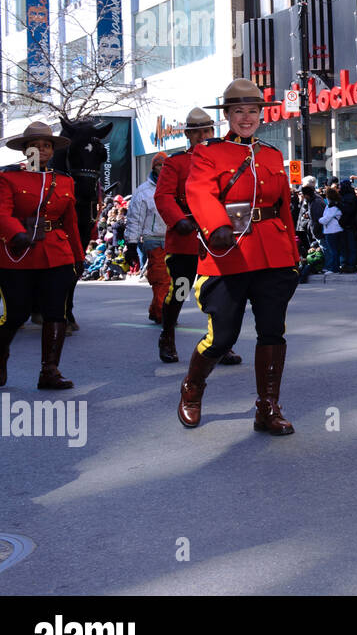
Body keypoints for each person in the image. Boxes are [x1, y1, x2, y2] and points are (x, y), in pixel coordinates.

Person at [177, 79, 300, 434]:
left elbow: (283, 209)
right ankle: (193, 386)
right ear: (227, 115)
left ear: (261, 114)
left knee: (273, 331)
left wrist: (292, 255)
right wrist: (216, 226)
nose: (246, 118)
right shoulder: (208, 153)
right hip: (228, 250)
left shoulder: (273, 155)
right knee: (222, 337)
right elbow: (199, 191)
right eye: (238, 111)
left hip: (273, 253)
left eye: (253, 111)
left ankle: (268, 407)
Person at [0, 123, 83, 390]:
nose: (41, 150)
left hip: (56, 253)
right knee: (16, 314)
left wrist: (78, 256)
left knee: (56, 313)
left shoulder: (64, 181)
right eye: (36, 145)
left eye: (47, 145)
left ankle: (49, 372)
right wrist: (16, 234)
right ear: (25, 149)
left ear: (52, 151)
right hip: (18, 253)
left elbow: (71, 222)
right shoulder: (8, 179)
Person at [153, 108, 242, 366]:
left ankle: (220, 343)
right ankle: (167, 335)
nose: (203, 136)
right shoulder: (176, 162)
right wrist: (178, 220)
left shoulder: (224, 159)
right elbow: (164, 196)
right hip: (186, 238)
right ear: (189, 135)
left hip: (218, 237)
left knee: (221, 294)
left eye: (207, 131)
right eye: (197, 132)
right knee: (180, 291)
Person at [125, 153, 172, 325]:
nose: (163, 169)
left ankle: (159, 309)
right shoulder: (143, 192)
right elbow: (134, 219)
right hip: (154, 239)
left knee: (180, 280)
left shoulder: (176, 186)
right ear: (154, 168)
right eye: (160, 166)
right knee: (161, 279)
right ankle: (162, 313)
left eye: (166, 166)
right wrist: (131, 245)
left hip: (175, 239)